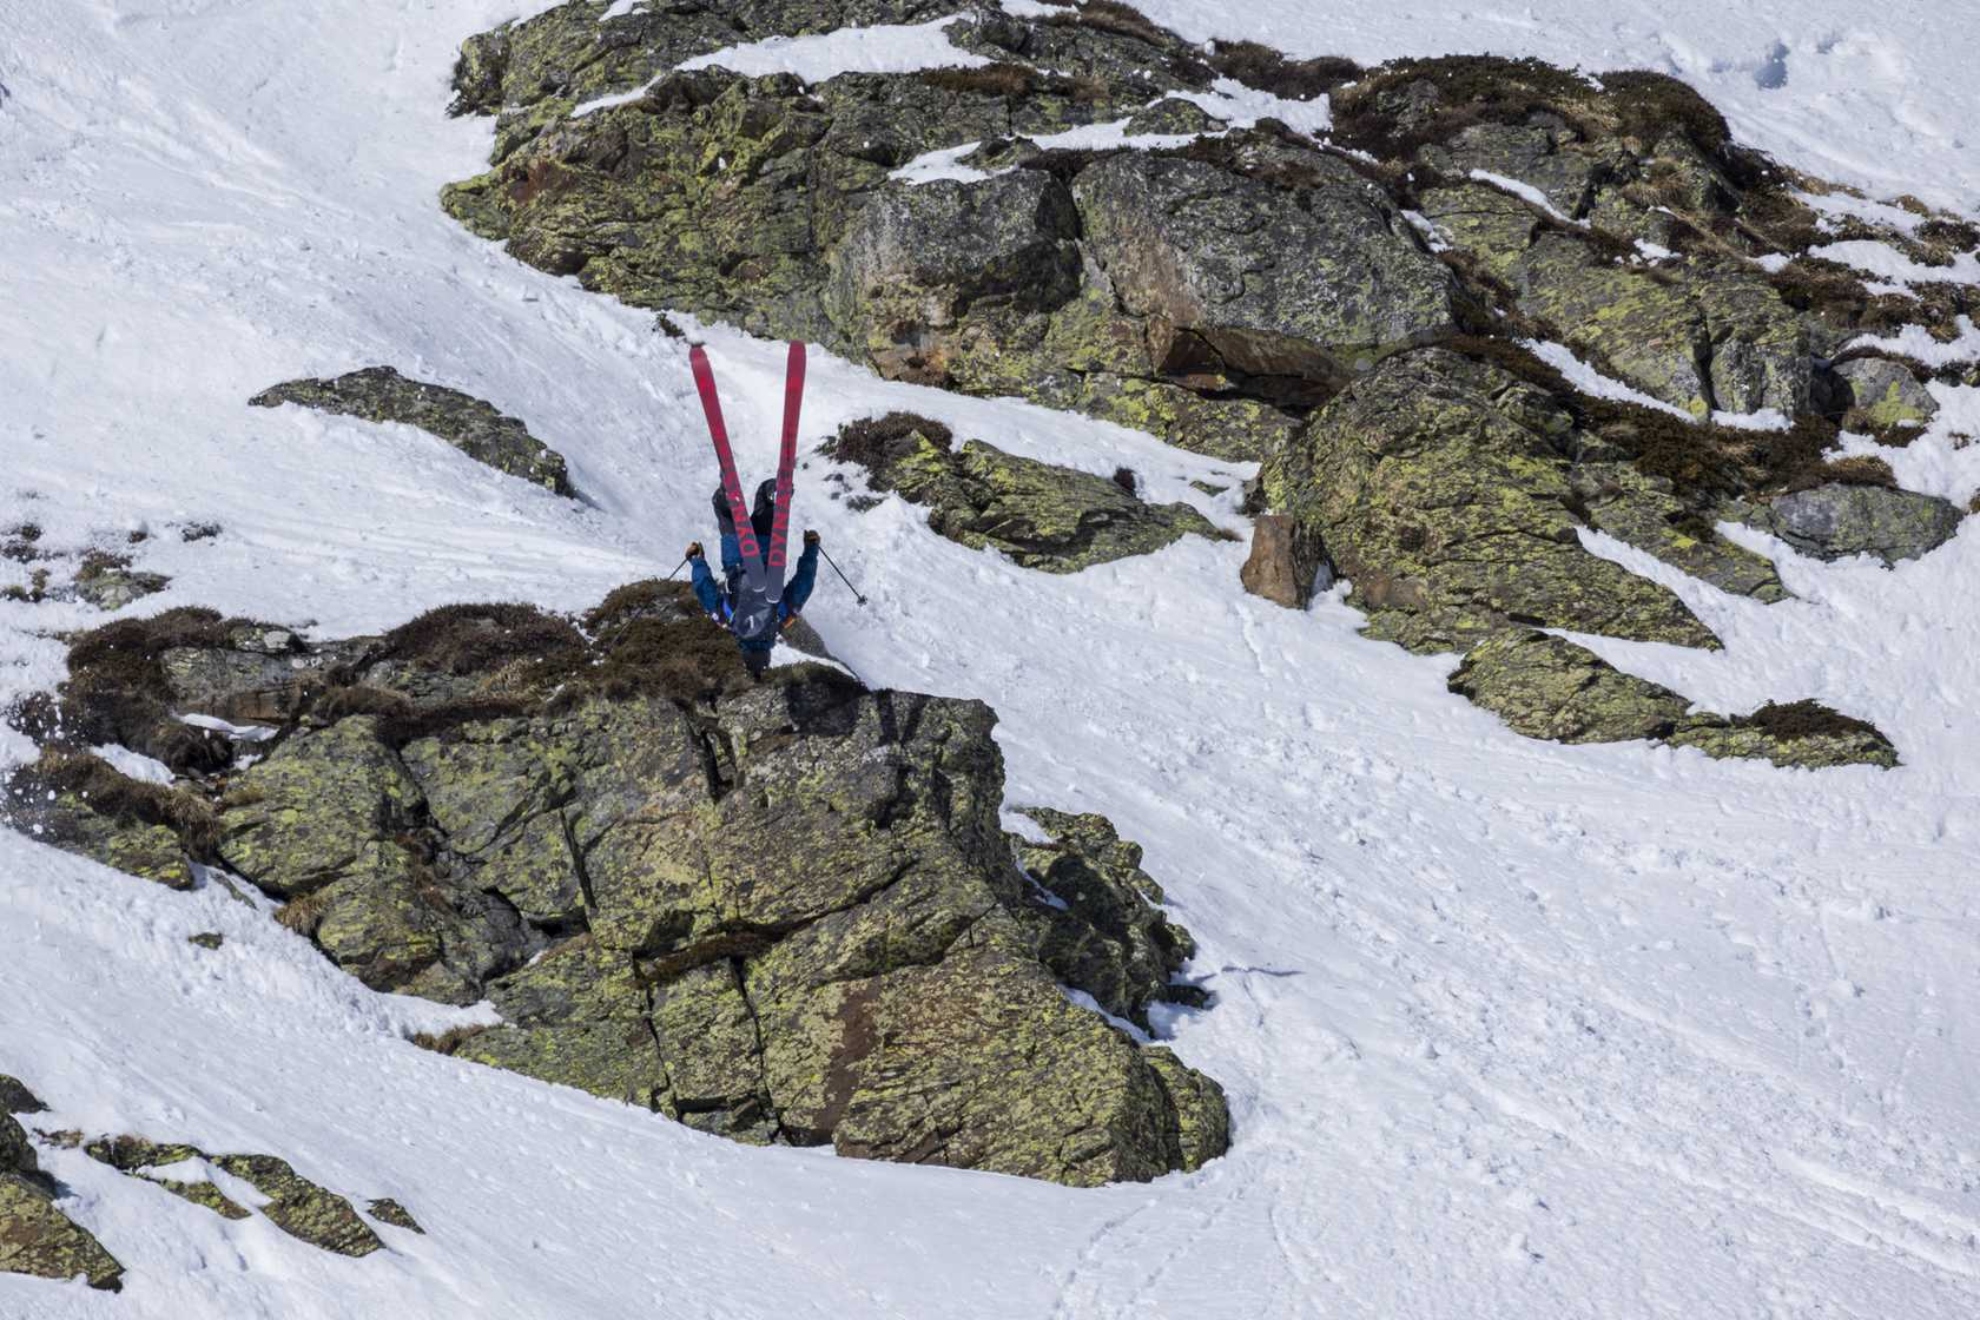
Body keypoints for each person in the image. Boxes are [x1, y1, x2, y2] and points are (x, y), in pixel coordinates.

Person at [687, 479, 820, 675]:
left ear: (768, 651)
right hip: (736, 552)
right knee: (723, 506)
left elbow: (804, 583)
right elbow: (704, 590)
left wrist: (811, 549)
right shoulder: (728, 621)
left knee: (764, 503)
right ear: (742, 652)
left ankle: (775, 492)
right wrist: (696, 560)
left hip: (768, 551)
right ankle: (725, 487)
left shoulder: (780, 619)